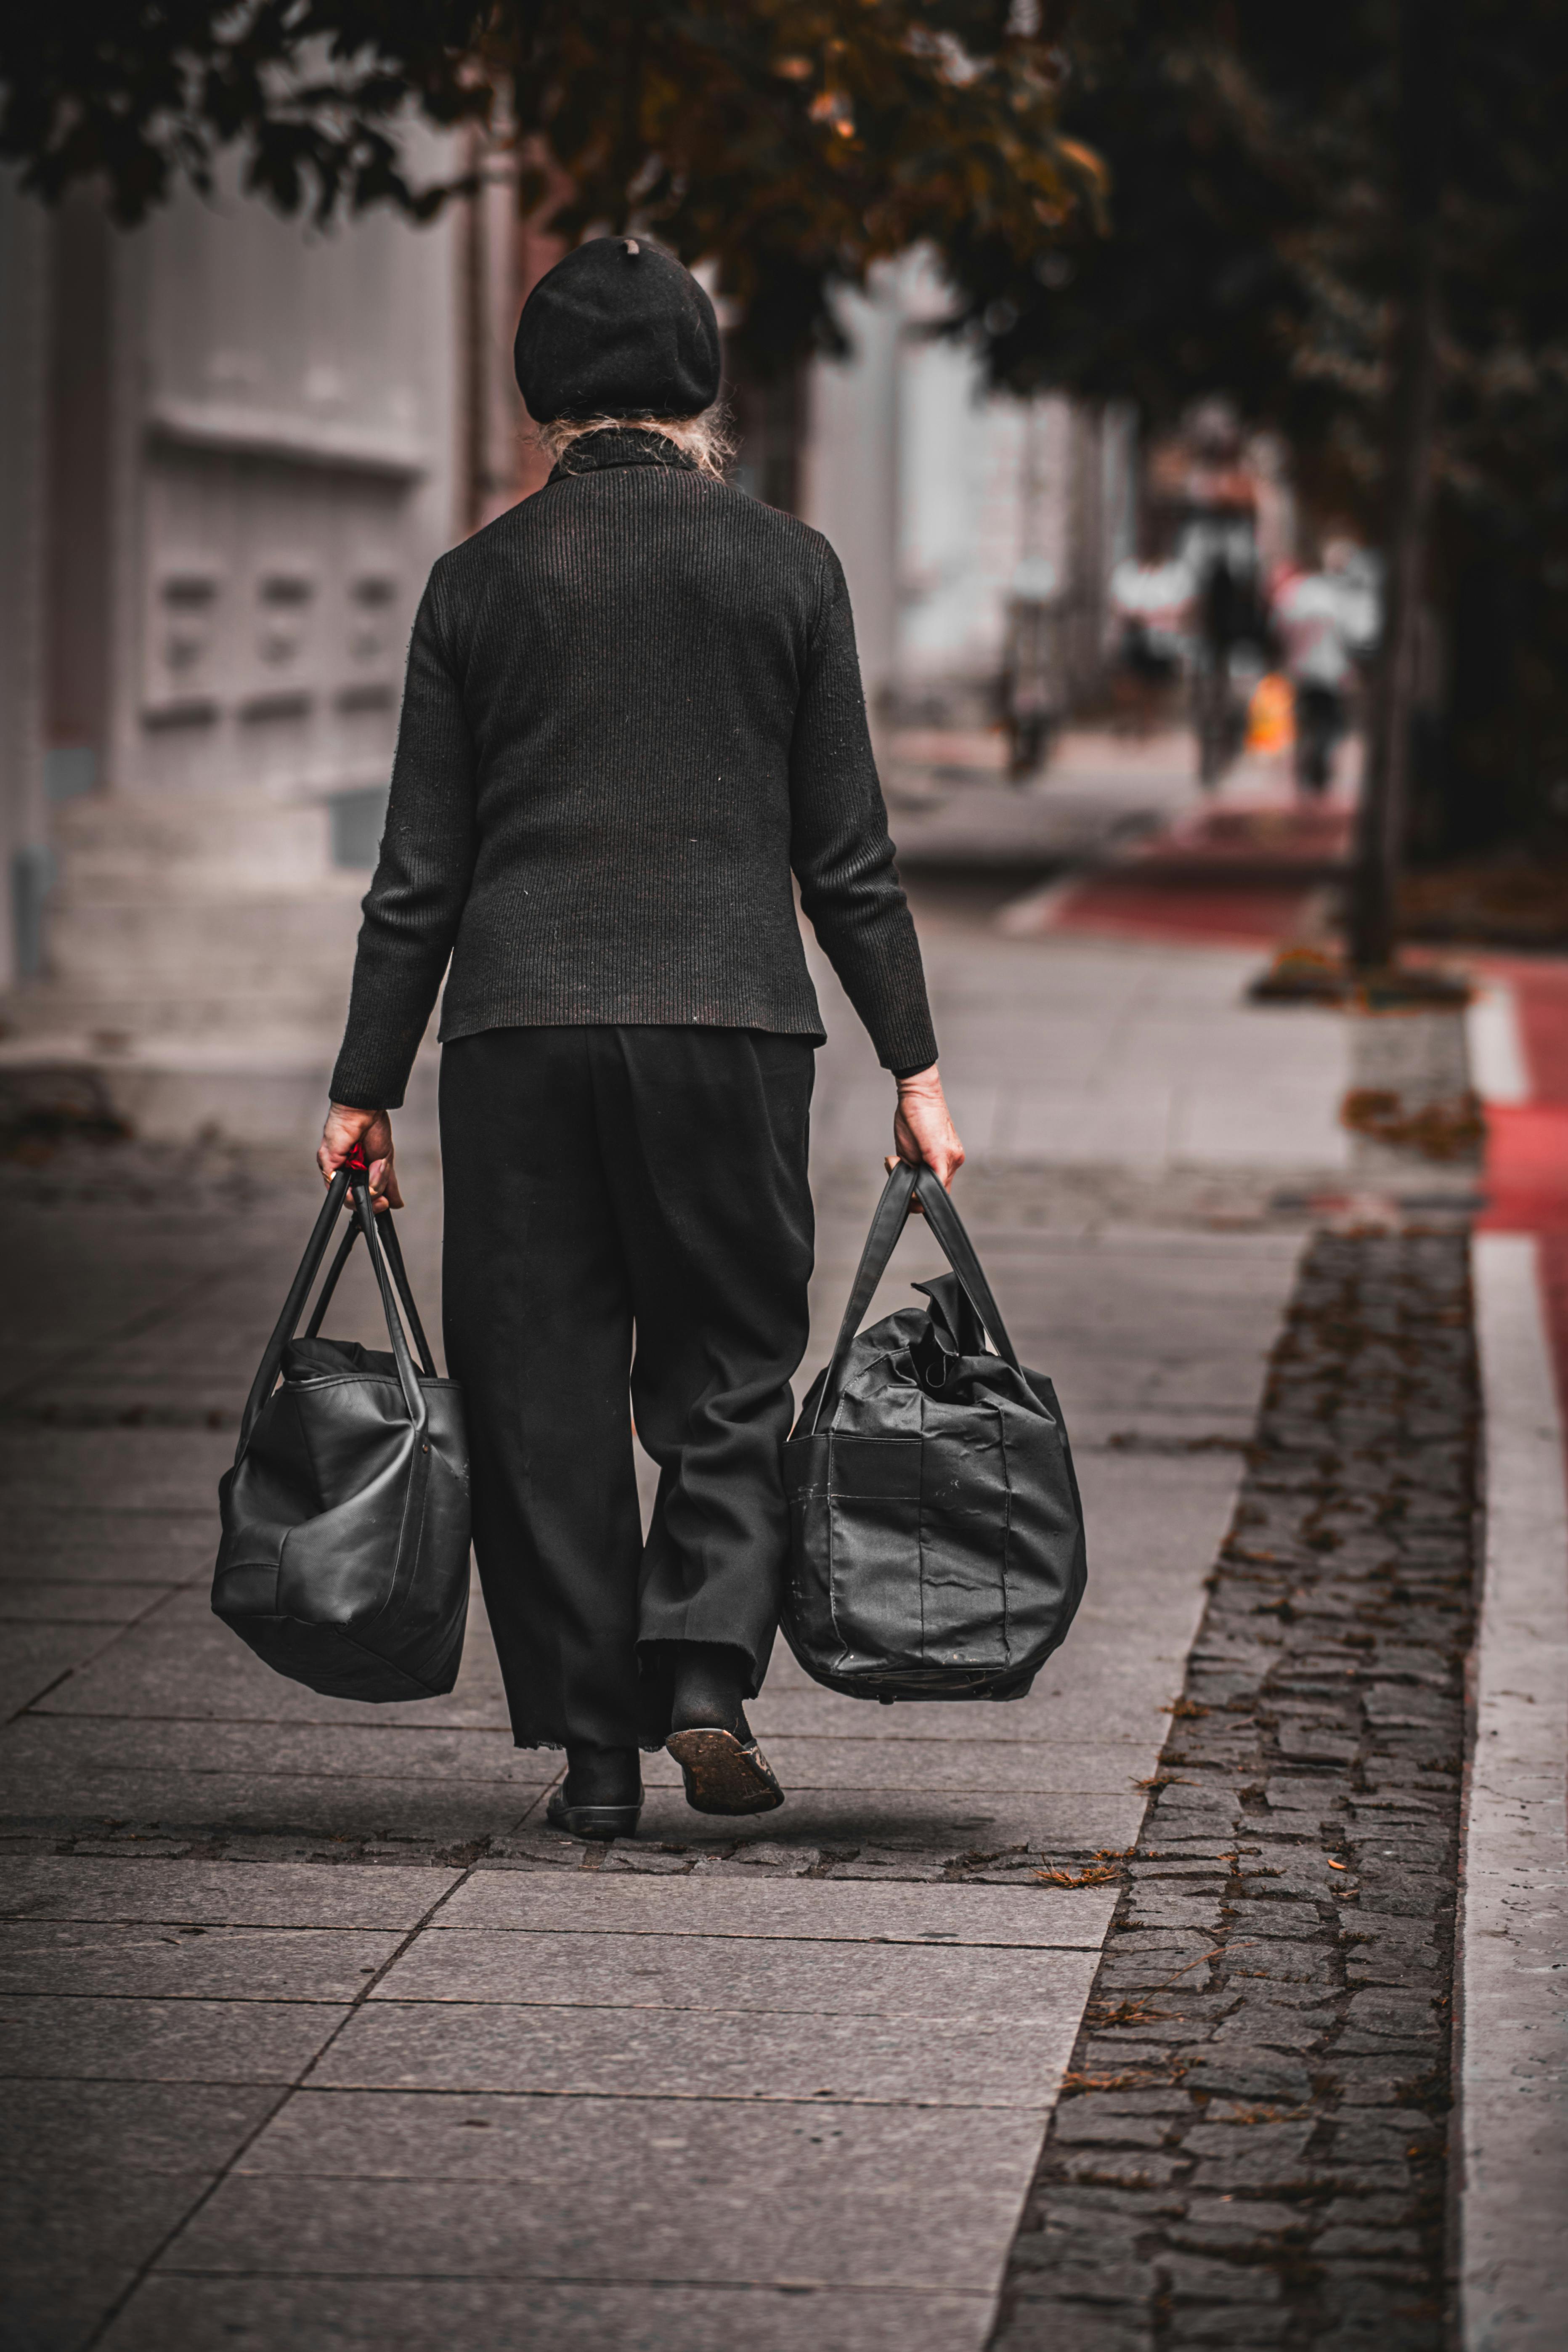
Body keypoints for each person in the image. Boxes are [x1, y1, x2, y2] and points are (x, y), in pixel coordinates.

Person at [317, 237, 963, 1842]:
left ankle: (593, 1755)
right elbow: (848, 859)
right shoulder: (788, 570)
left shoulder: (475, 584)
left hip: (518, 1032)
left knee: (538, 1388)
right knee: (733, 1361)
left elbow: (419, 878)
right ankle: (702, 1679)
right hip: (731, 1024)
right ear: (696, 393)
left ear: (545, 402)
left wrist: (360, 1087)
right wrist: (912, 1066)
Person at [1272, 538, 1382, 795]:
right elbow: (1360, 636)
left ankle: (1308, 771)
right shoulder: (1338, 597)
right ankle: (1318, 772)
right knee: (1330, 725)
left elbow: (1277, 629)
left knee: (1309, 721)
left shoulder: (1295, 592)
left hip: (1302, 670)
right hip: (1332, 673)